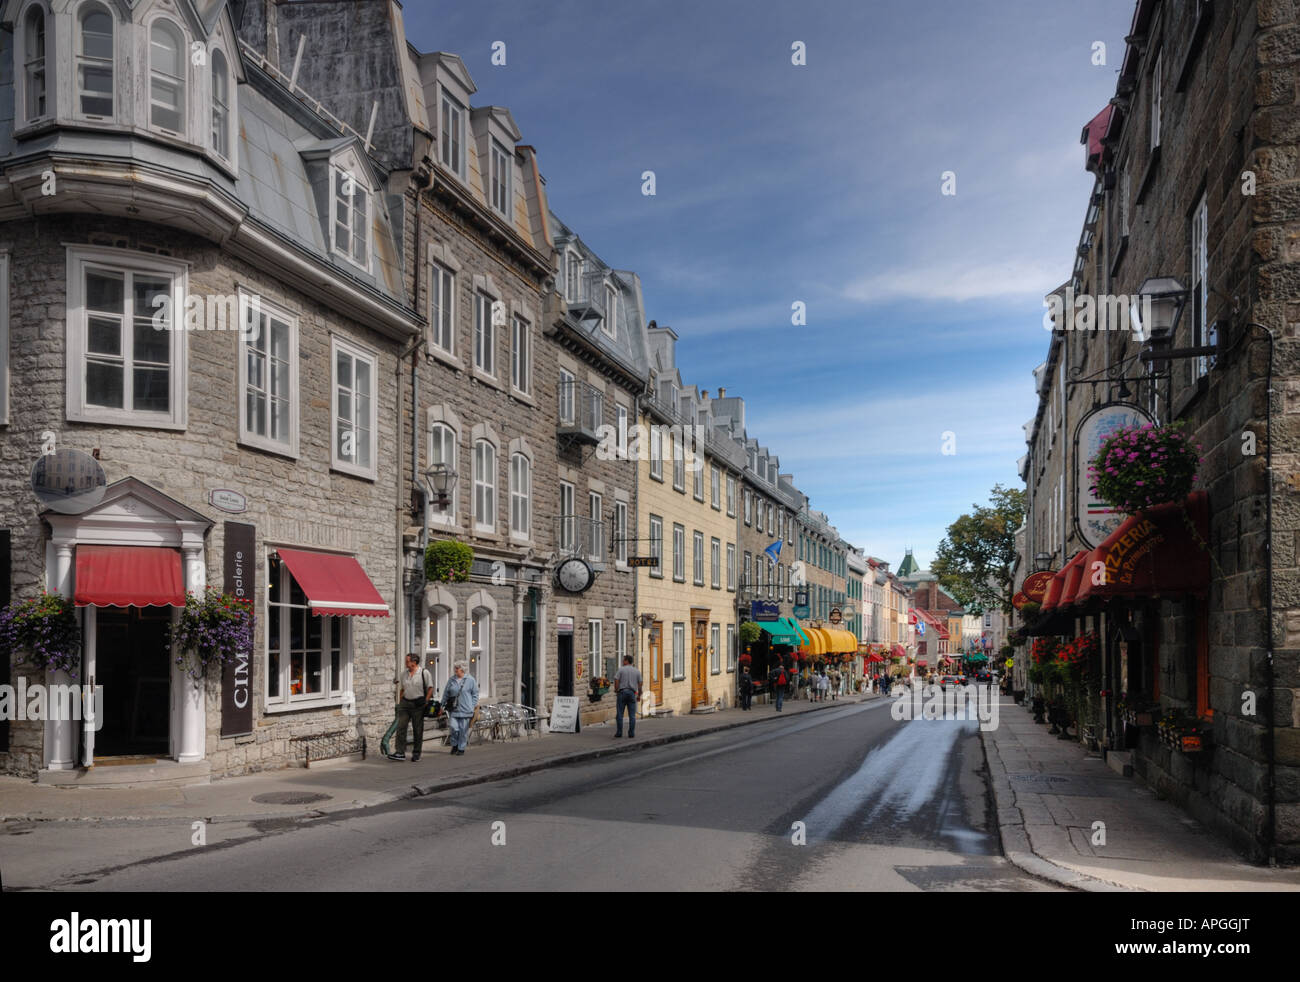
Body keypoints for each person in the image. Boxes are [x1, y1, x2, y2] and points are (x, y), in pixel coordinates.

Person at [388, 653, 432, 762]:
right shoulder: (404, 674)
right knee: (401, 727)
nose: (405, 663)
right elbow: (403, 688)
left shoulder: (424, 673)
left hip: (418, 704)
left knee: (417, 729)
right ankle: (400, 753)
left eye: (407, 661)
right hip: (405, 703)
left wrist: (425, 701)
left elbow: (430, 688)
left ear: (414, 662)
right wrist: (399, 700)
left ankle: (416, 753)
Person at [440, 660, 479, 755]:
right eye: (455, 668)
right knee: (454, 728)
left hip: (466, 709)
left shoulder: (470, 680)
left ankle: (461, 748)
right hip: (453, 709)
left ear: (462, 669)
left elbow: (475, 694)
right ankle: (454, 745)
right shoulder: (451, 680)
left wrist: (472, 705)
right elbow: (446, 693)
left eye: (457, 668)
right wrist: (442, 705)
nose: (455, 670)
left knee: (463, 730)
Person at [613, 654, 642, 738]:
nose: (622, 661)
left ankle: (619, 732)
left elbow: (616, 679)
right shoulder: (636, 671)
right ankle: (631, 733)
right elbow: (640, 684)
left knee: (619, 714)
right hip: (632, 693)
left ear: (626, 661)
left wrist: (616, 689)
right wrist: (639, 695)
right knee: (632, 715)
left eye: (623, 660)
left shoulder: (621, 670)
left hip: (622, 692)